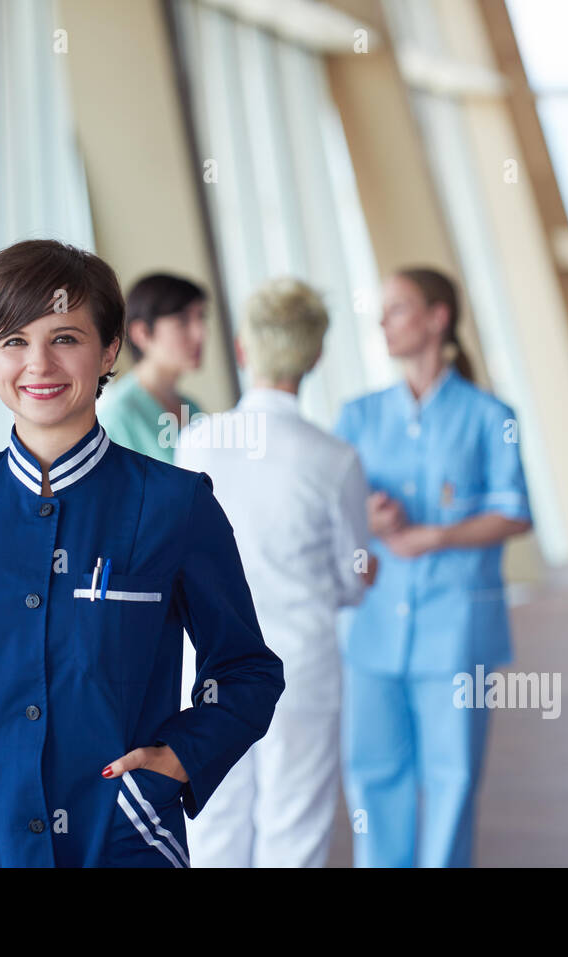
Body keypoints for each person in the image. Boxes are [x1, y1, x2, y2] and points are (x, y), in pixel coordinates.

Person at [0, 239, 285, 867]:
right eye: (13, 341)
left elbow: (247, 670)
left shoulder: (176, 504)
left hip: (121, 842)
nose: (39, 364)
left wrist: (175, 763)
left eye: (65, 338)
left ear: (109, 349)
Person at [334, 268, 532, 868]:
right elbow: (337, 517)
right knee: (372, 775)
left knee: (453, 778)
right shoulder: (358, 416)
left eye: (396, 308)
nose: (383, 322)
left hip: (456, 632)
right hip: (371, 633)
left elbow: (515, 512)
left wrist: (437, 535)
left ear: (437, 317)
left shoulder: (490, 414)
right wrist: (373, 517)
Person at [176, 277, 374, 867]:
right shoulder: (335, 458)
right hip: (299, 665)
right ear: (315, 355)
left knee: (214, 823)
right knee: (296, 823)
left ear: (242, 349)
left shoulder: (197, 442)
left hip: (207, 663)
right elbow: (351, 575)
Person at [96, 273, 206, 463]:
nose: (200, 333)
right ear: (142, 333)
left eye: (201, 317)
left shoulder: (192, 408)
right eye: (182, 321)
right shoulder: (117, 417)